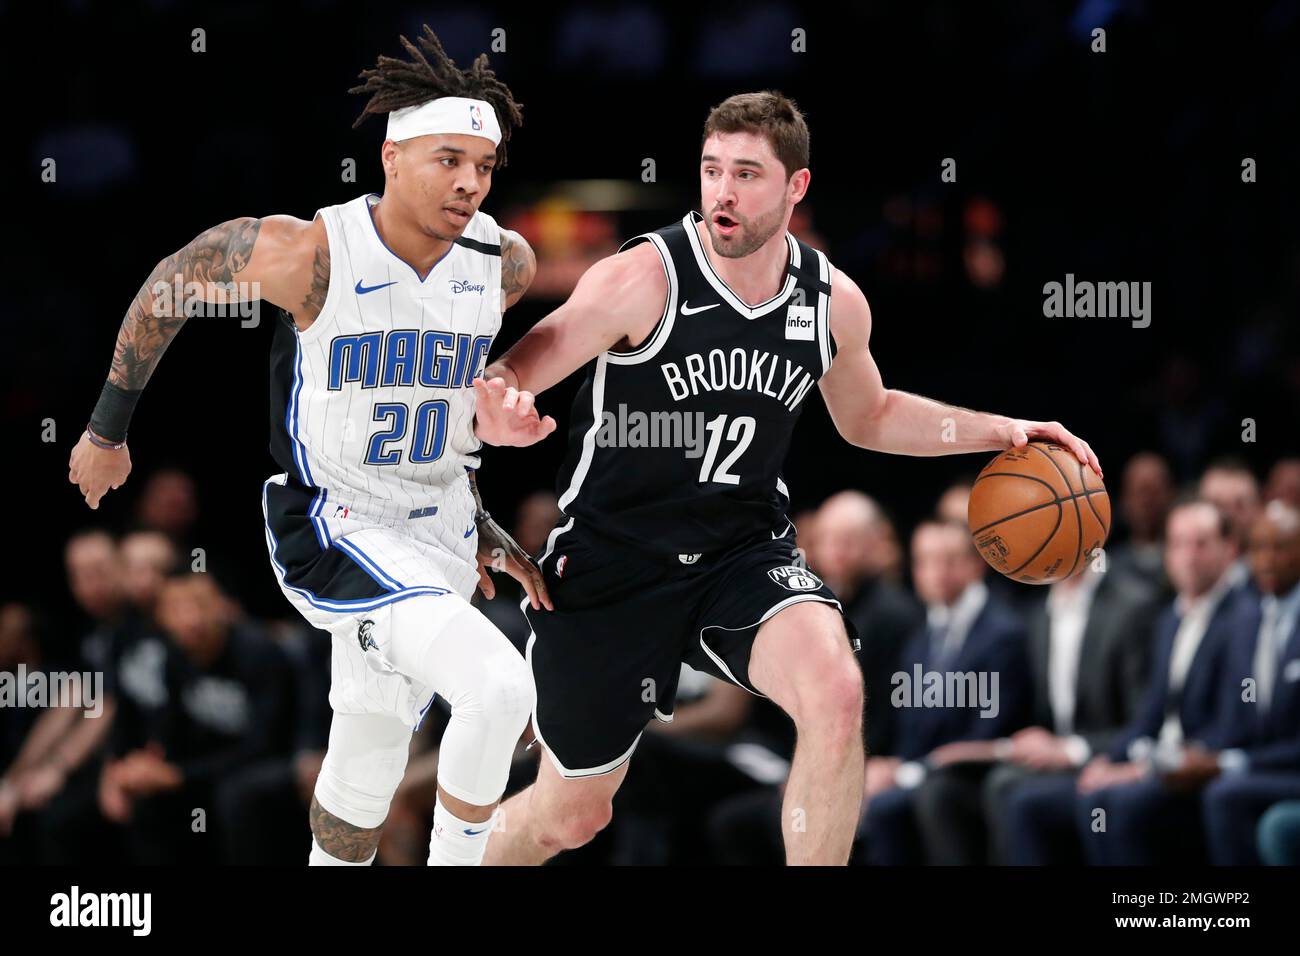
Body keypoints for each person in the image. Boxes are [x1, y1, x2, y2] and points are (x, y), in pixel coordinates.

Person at [478, 90, 1100, 865]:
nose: (722, 193)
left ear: (795, 188)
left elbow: (868, 416)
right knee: (569, 819)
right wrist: (497, 407)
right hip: (616, 561)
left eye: (747, 173)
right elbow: (516, 369)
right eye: (711, 171)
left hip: (742, 554)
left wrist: (1001, 431)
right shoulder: (642, 277)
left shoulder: (830, 300)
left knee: (836, 689)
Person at [67, 26, 557, 867]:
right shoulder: (311, 251)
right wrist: (107, 429)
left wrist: (477, 521)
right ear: (392, 157)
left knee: (366, 759)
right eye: (449, 160)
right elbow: (171, 283)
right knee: (501, 685)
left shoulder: (503, 263)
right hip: (340, 521)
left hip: (436, 526)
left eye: (485, 166)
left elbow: (442, 408)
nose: (471, 182)